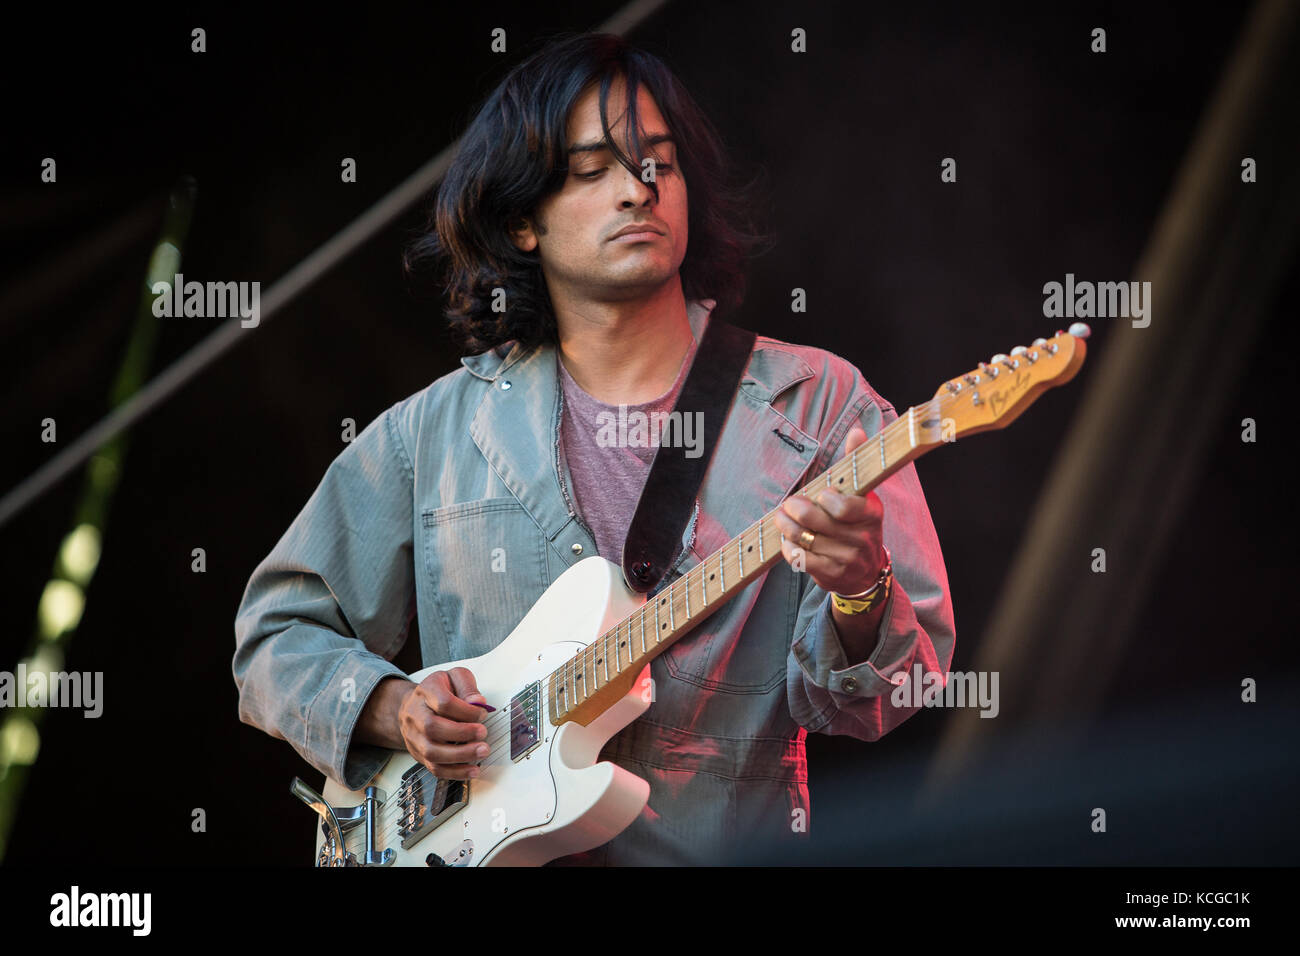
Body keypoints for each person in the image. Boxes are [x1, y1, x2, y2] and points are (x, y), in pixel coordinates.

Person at [232, 31, 955, 866]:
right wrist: (394, 707)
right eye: (590, 171)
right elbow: (275, 634)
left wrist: (863, 590)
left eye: (659, 163)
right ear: (521, 222)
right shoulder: (430, 433)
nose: (637, 190)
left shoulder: (820, 407)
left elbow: (893, 694)